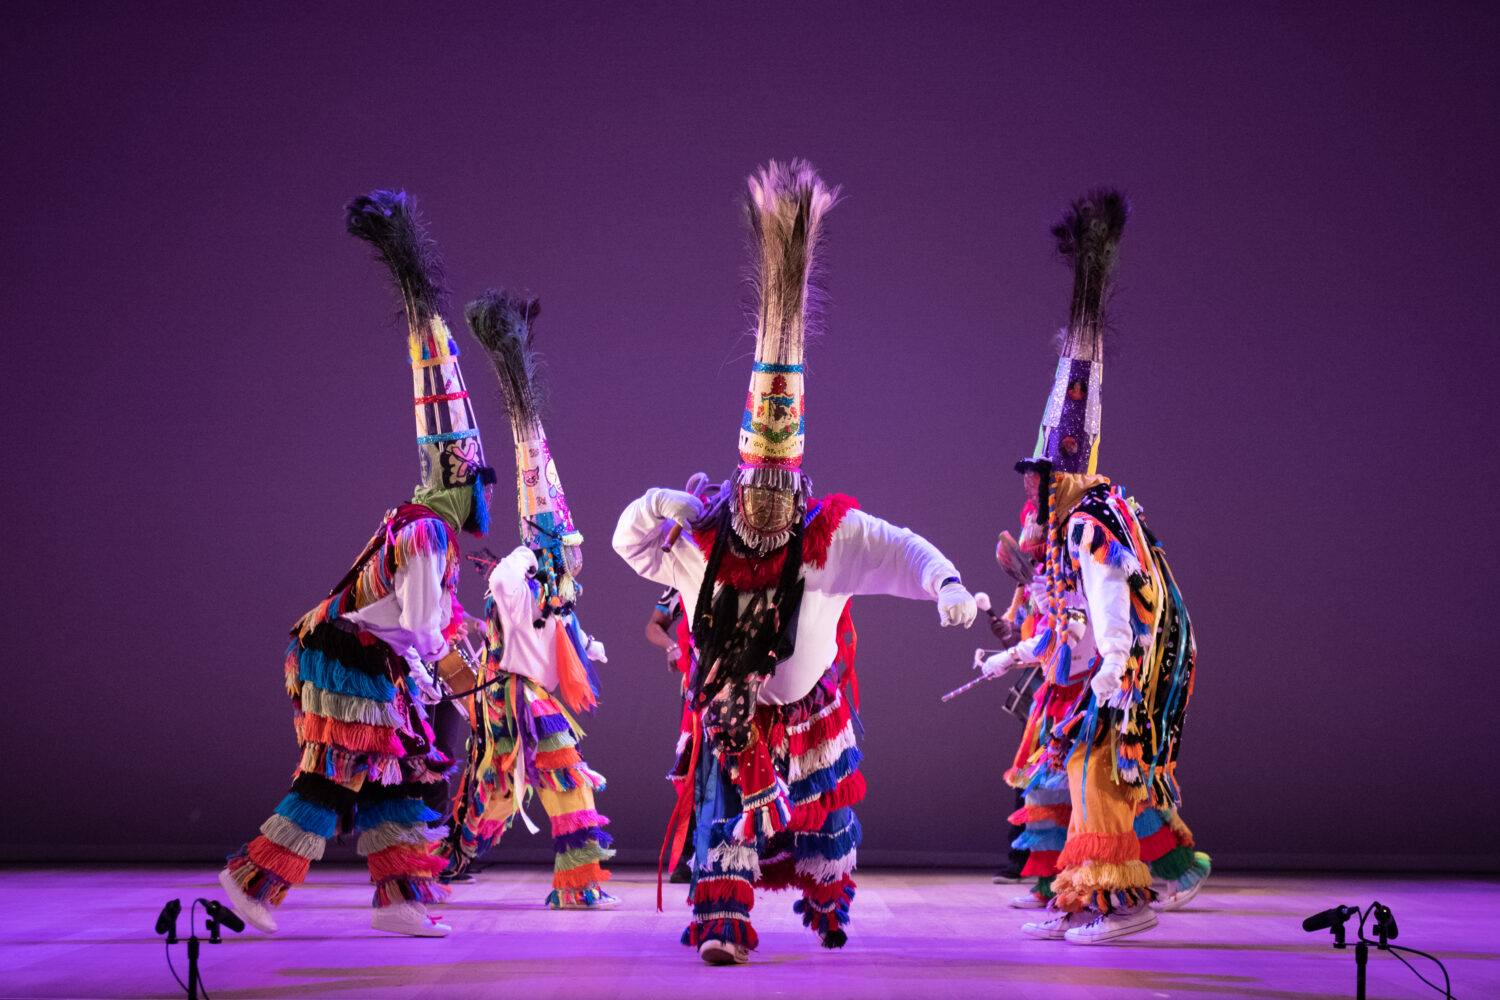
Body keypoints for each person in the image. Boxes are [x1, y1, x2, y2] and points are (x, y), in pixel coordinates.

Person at [613, 160, 977, 965]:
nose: (769, 514)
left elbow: (900, 550)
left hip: (810, 711)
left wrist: (946, 582)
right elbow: (628, 542)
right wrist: (665, 503)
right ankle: (722, 924)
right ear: (739, 487)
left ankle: (827, 897)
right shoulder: (703, 541)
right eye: (757, 497)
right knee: (721, 814)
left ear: (798, 489)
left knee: (824, 823)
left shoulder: (830, 539)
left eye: (782, 499)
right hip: (730, 709)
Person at [217, 190, 497, 938]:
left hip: (369, 660)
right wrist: (449, 669)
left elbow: (423, 617)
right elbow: (415, 621)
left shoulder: (422, 527)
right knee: (336, 777)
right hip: (350, 660)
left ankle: (402, 903)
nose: (479, 494)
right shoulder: (428, 533)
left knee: (395, 777)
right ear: (455, 478)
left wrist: (447, 647)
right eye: (474, 480)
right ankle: (252, 881)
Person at [977, 189, 1203, 945]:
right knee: (1079, 791)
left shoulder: (1089, 527)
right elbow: (1058, 620)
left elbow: (1111, 605)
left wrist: (1111, 669)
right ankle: (1079, 897)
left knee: (1103, 792)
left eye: (1038, 477)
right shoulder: (1067, 526)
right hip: (1084, 683)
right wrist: (1011, 652)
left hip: (1109, 685)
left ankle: (1122, 903)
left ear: (1060, 478)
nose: (1029, 488)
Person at [440, 292, 617, 909]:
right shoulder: (517, 575)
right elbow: (523, 615)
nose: (575, 556)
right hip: (517, 694)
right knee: (557, 780)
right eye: (567, 546)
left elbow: (561, 623)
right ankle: (576, 886)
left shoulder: (554, 578)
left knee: (497, 790)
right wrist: (543, 594)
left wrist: (583, 638)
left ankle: (453, 853)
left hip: (529, 690)